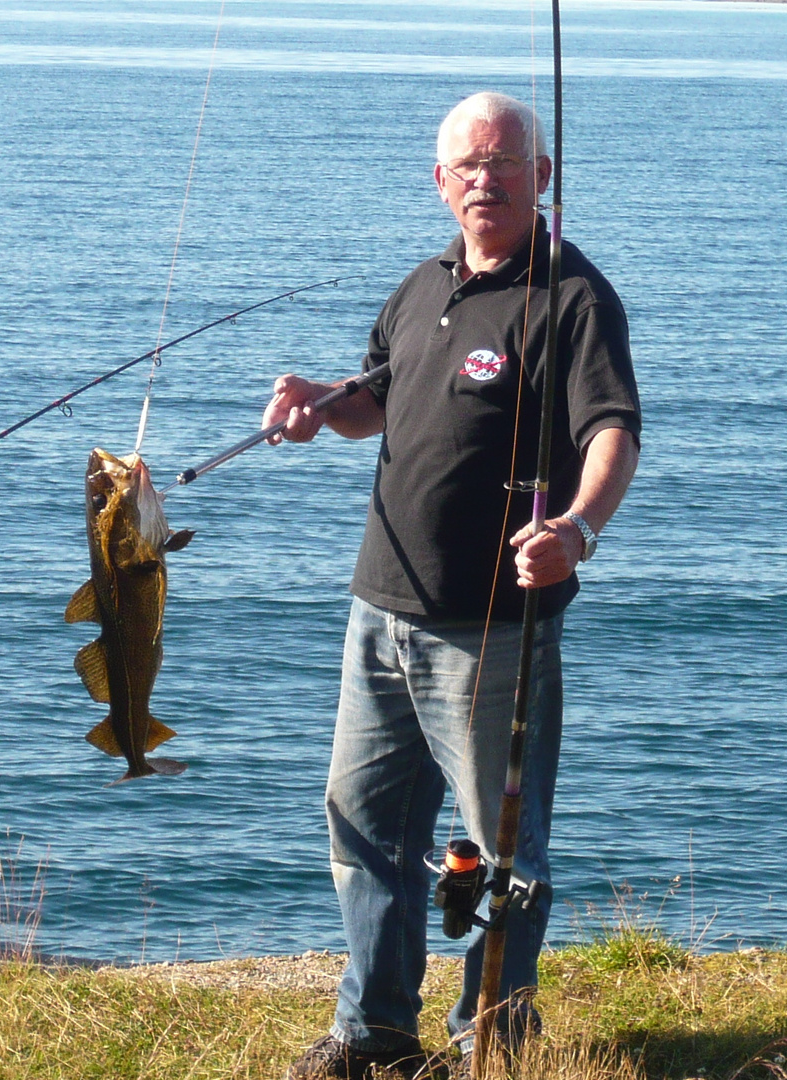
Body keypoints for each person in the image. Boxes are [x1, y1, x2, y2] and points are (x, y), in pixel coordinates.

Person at [269, 92, 641, 1079]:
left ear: (541, 176)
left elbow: (612, 431)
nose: (486, 180)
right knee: (365, 828)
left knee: (502, 856)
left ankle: (490, 1045)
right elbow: (378, 400)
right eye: (467, 166)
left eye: (505, 163)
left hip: (492, 634)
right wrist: (318, 403)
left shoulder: (572, 296)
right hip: (379, 609)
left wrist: (578, 528)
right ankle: (374, 1029)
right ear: (441, 182)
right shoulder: (419, 285)